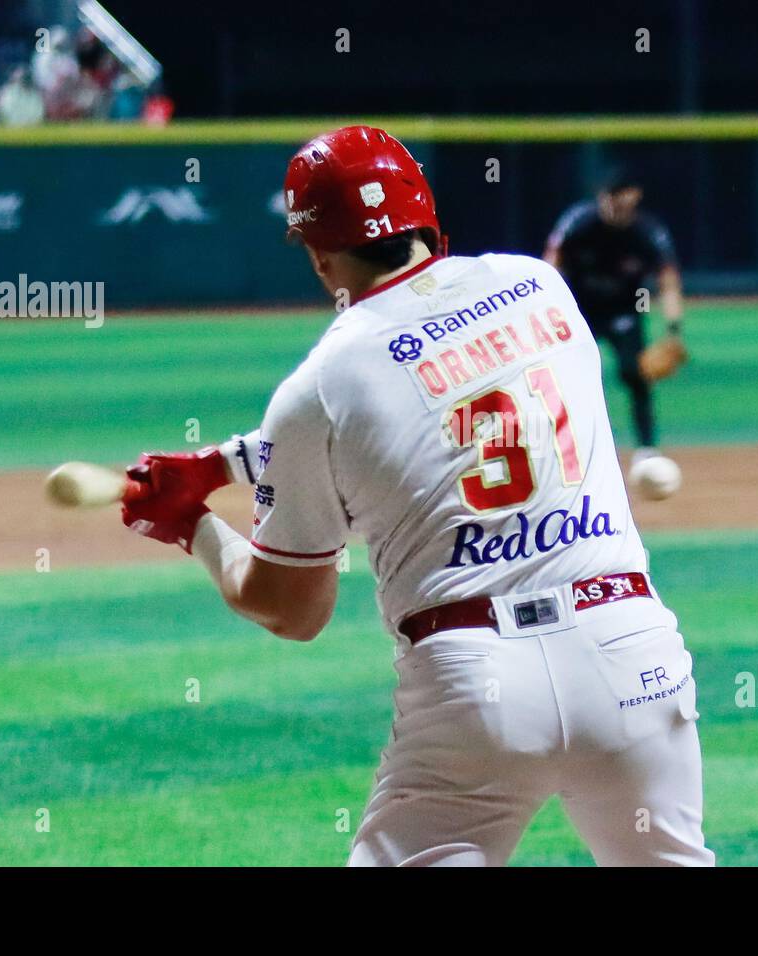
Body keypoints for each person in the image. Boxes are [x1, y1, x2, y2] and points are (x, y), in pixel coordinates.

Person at [120, 126, 715, 867]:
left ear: (318, 254)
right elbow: (447, 397)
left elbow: (292, 607)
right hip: (631, 654)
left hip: (477, 689)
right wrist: (224, 461)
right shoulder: (537, 285)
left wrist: (192, 525)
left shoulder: (319, 387)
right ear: (429, 220)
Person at [544, 170, 684, 463]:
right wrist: (548, 311)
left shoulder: (647, 232)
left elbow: (668, 280)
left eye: (622, 194)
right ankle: (566, 448)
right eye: (610, 195)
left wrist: (673, 328)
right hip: (579, 311)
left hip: (625, 309)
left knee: (635, 373)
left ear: (635, 196)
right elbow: (550, 265)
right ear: (601, 197)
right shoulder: (579, 223)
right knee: (568, 378)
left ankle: (647, 448)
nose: (615, 201)